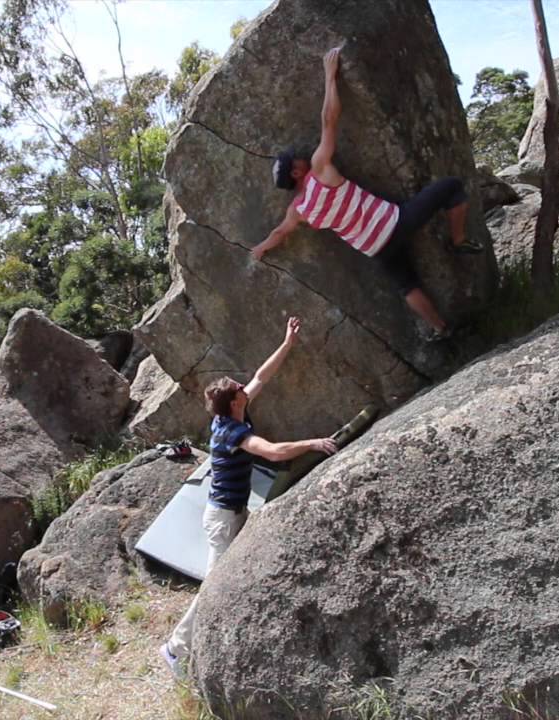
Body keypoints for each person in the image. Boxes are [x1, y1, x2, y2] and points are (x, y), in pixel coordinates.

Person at [252, 46, 483, 340]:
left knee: (408, 286)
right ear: (296, 173)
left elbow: (281, 232)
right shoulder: (320, 170)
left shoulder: (298, 210)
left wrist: (261, 248)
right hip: (395, 222)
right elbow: (329, 121)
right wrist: (329, 76)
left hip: (376, 249)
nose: (298, 157)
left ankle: (442, 329)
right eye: (294, 161)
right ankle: (459, 240)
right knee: (452, 187)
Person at [160, 316, 338, 676]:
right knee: (213, 588)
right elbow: (271, 452)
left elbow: (261, 376)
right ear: (235, 402)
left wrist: (287, 342)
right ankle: (175, 649)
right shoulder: (232, 432)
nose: (245, 386)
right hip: (224, 519)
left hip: (234, 512)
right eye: (239, 388)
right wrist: (313, 444)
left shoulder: (232, 411)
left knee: (228, 581)